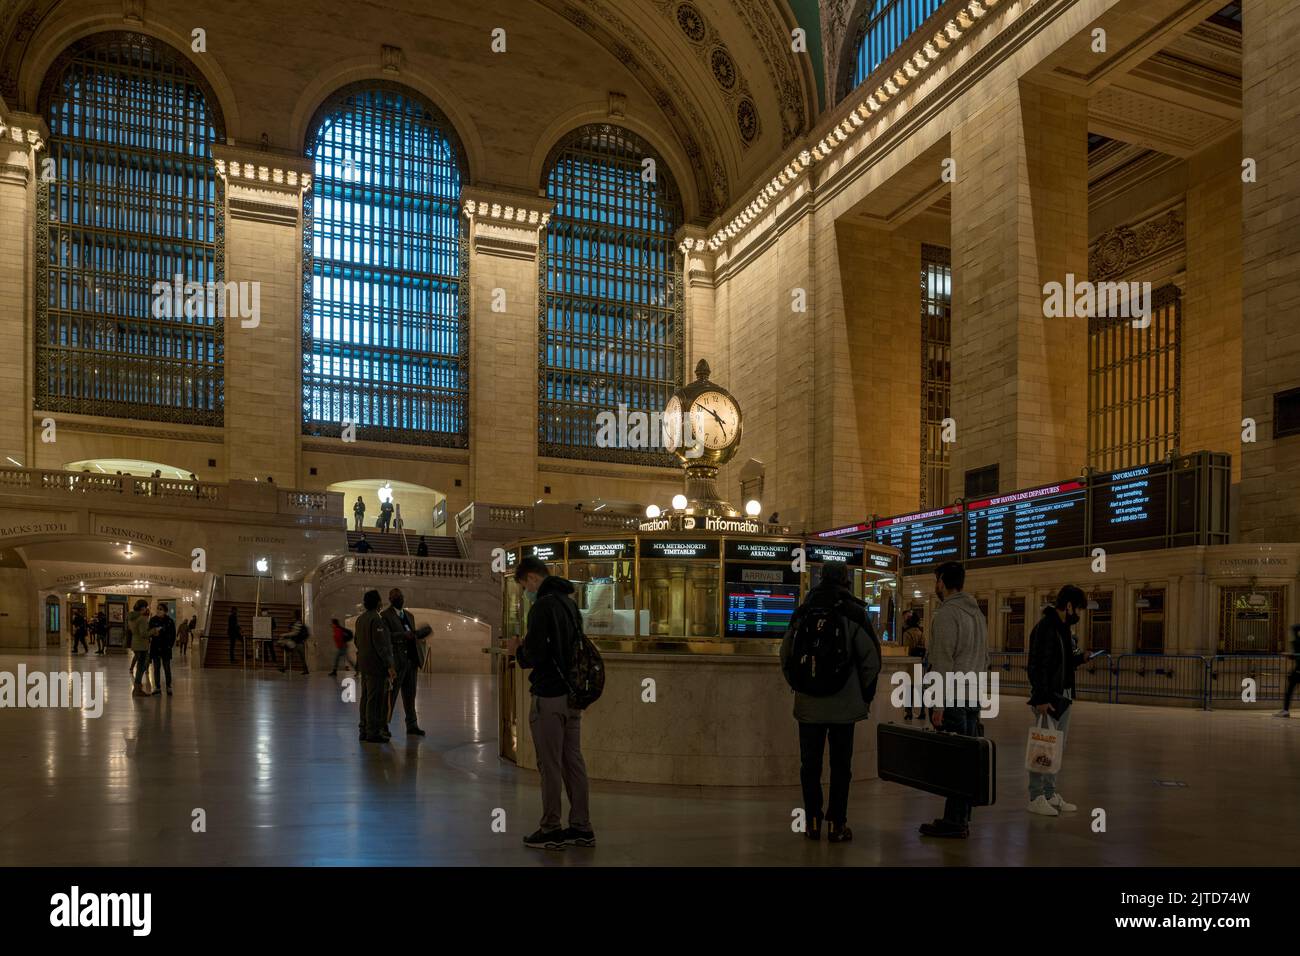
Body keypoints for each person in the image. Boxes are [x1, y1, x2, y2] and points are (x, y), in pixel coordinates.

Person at [780, 560, 881, 844]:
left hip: (809, 704)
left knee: (809, 765)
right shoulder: (855, 613)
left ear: (820, 579)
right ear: (846, 581)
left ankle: (812, 822)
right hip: (844, 707)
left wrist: (798, 684)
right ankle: (837, 825)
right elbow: (871, 661)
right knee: (840, 766)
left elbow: (785, 654)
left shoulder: (802, 612)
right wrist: (863, 695)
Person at [505, 556, 594, 851]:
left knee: (550, 764)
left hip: (549, 696)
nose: (524, 593)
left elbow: (536, 655)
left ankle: (551, 827)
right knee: (573, 761)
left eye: (522, 586)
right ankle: (581, 827)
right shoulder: (569, 603)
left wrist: (517, 651)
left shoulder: (542, 606)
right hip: (572, 696)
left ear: (531, 578)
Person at [918, 561, 989, 840]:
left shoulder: (947, 614)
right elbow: (984, 659)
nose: (934, 586)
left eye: (936, 581)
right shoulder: (977, 614)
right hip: (972, 696)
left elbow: (943, 661)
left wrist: (938, 704)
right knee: (967, 760)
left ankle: (955, 821)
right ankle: (961, 817)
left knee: (955, 763)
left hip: (954, 697)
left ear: (943, 582)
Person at [1026, 584, 1088, 817]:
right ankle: (1035, 796)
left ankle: (1050, 794)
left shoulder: (1062, 629)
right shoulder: (1046, 628)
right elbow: (1037, 665)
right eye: (1078, 609)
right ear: (1069, 605)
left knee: (1055, 748)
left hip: (1063, 696)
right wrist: (1040, 698)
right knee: (1042, 746)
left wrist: (1080, 659)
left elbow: (1062, 662)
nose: (1078, 615)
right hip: (1048, 698)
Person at [381, 588, 427, 736]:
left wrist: (416, 634)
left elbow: (412, 634)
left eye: (400, 596)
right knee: (391, 696)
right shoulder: (385, 616)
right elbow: (386, 637)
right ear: (390, 599)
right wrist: (403, 635)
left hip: (411, 661)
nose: (399, 598)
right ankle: (383, 726)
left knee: (410, 695)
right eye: (395, 596)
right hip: (397, 662)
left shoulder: (409, 616)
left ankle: (412, 725)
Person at [355, 590, 396, 743]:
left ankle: (363, 729)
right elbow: (381, 646)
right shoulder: (376, 620)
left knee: (365, 697)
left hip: (364, 664)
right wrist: (390, 665)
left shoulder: (360, 619)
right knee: (375, 699)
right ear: (377, 603)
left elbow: (356, 641)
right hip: (375, 666)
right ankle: (373, 732)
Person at [901, 611, 927, 722]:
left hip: (910, 663)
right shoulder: (921, 633)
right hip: (919, 663)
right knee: (920, 689)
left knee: (908, 689)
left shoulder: (907, 633)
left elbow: (906, 649)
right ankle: (922, 711)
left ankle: (909, 712)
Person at [148, 602, 177, 696]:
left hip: (166, 648)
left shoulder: (170, 621)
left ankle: (168, 686)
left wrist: (170, 645)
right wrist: (153, 632)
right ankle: (157, 687)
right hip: (155, 647)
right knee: (156, 668)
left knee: (167, 668)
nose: (158, 610)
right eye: (158, 608)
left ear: (165, 611)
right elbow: (149, 632)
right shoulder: (153, 620)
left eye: (161, 609)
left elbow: (173, 635)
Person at [1273, 625, 1300, 717]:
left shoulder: (1296, 642)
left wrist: (1289, 654)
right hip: (1297, 670)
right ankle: (1285, 710)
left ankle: (1285, 710)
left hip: (1298, 671)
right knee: (1289, 690)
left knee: (1289, 690)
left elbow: (1296, 655)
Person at [128, 600, 152, 697]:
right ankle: (137, 689)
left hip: (135, 643)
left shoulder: (132, 617)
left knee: (140, 665)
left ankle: (137, 688)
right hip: (142, 645)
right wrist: (153, 631)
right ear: (142, 608)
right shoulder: (142, 618)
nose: (147, 609)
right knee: (141, 667)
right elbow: (144, 633)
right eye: (146, 607)